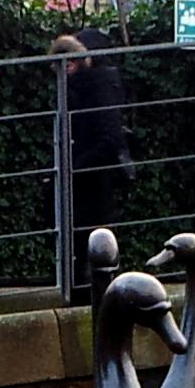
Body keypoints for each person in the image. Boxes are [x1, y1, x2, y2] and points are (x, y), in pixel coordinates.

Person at [54, 31, 133, 299]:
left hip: (90, 182)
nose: (66, 69)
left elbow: (108, 139)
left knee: (90, 246)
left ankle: (89, 299)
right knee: (87, 246)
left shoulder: (95, 87)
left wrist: (74, 168)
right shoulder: (86, 87)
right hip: (86, 180)